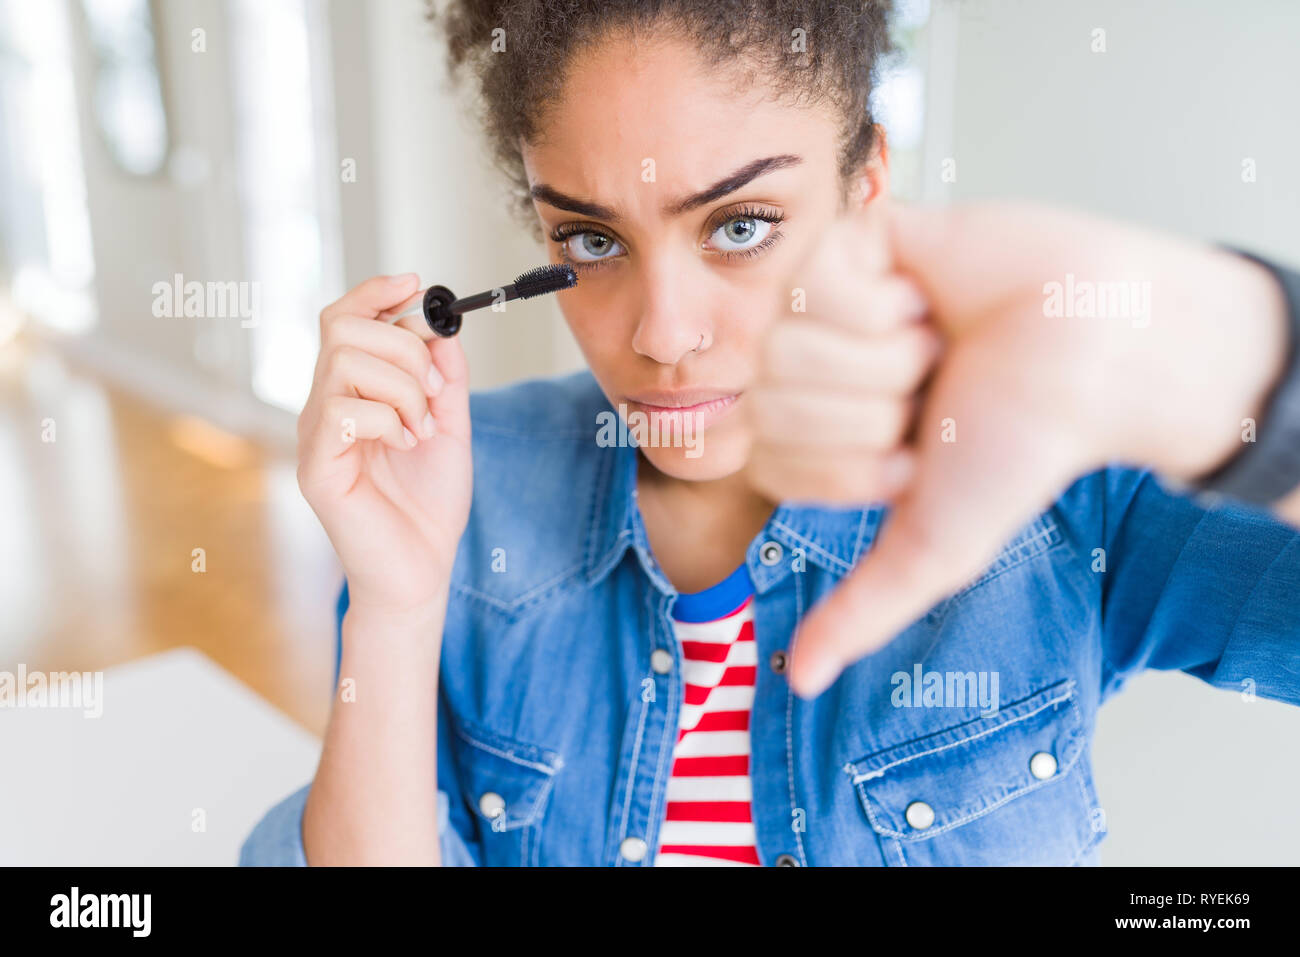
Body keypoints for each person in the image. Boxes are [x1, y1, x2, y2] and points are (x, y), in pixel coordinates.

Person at [240, 0, 1300, 866]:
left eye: (740, 228)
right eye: (591, 239)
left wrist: (1239, 352)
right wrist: (395, 603)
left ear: (865, 186)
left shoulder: (1066, 486)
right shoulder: (467, 486)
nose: (662, 336)